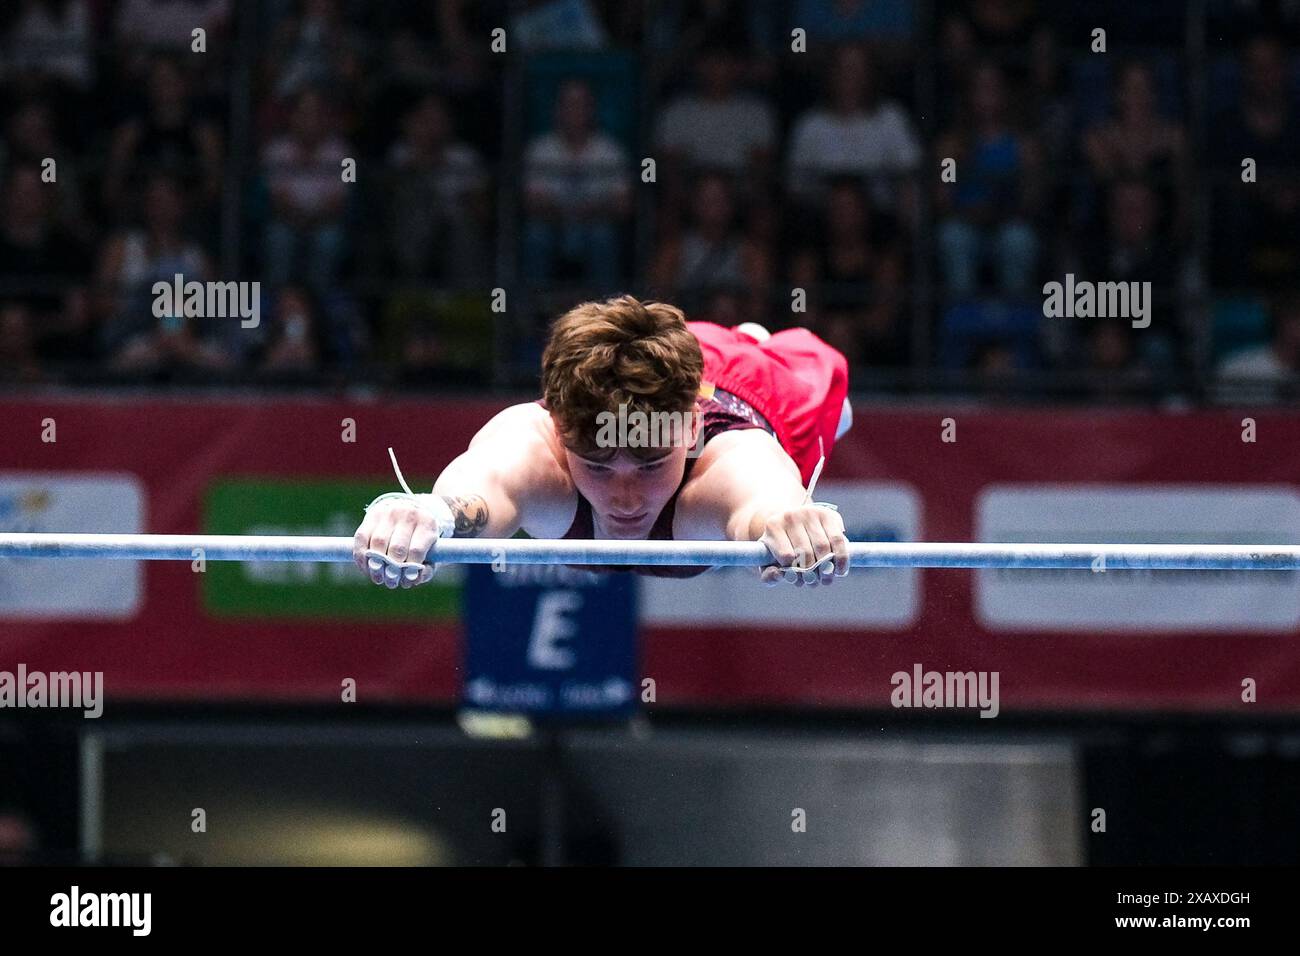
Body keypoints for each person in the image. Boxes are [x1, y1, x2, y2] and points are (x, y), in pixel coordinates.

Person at [353, 296, 854, 587]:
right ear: (561, 431)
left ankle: (752, 339)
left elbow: (767, 499)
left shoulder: (731, 461)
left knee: (832, 398)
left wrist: (791, 521)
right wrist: (428, 516)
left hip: (756, 388)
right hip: (669, 390)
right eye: (595, 466)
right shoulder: (534, 448)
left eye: (651, 464)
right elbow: (473, 490)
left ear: (693, 430)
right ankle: (734, 336)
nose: (626, 499)